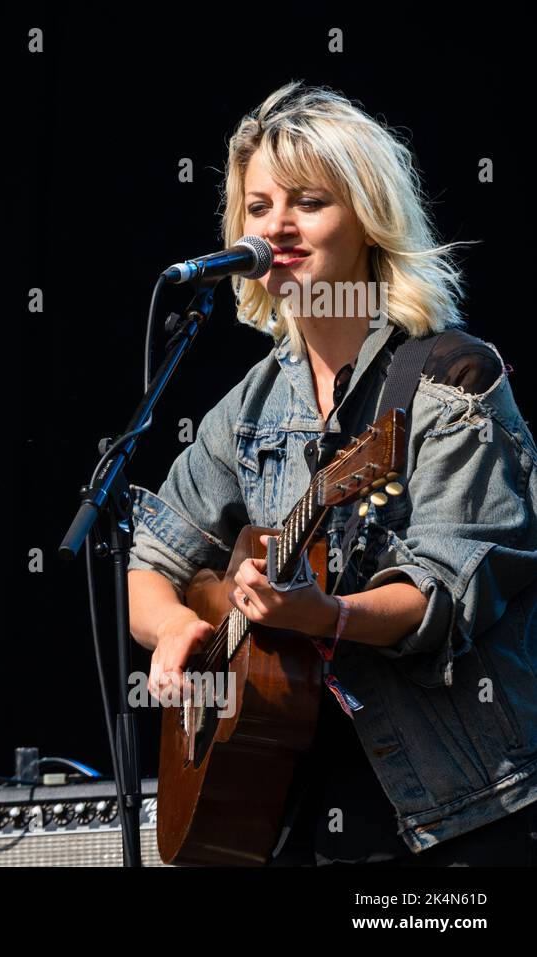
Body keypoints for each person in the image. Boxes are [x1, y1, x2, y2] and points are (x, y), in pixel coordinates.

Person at [127, 83, 537, 865]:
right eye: (258, 206)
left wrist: (324, 612)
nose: (275, 225)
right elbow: (153, 555)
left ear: (367, 218)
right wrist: (179, 628)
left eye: (308, 202)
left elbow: (441, 596)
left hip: (462, 808)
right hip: (292, 808)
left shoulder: (451, 380)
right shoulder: (250, 405)